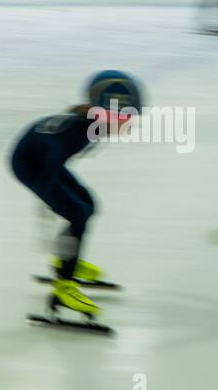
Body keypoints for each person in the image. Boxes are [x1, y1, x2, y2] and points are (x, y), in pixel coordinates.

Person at [9, 70, 143, 319]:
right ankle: (64, 287)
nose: (131, 122)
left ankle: (65, 259)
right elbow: (48, 165)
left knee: (89, 205)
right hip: (31, 164)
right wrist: (48, 200)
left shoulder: (94, 125)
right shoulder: (78, 132)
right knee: (77, 213)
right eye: (127, 116)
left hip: (43, 158)